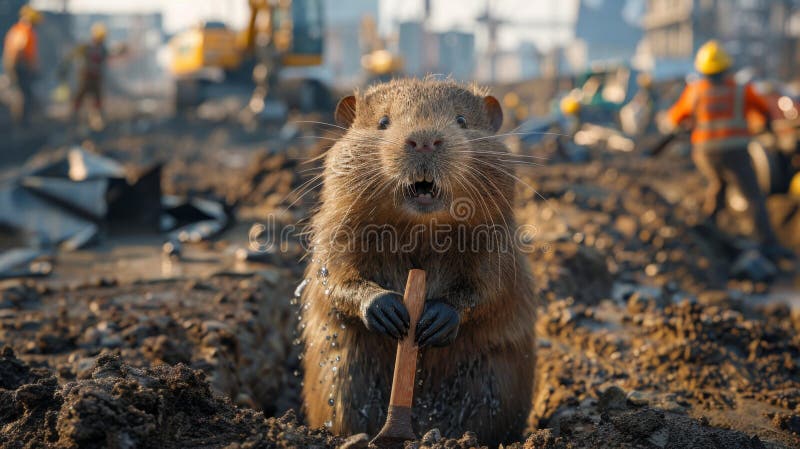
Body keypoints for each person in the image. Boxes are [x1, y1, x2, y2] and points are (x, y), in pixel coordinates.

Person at [666, 40, 793, 261]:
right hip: (735, 151)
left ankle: (709, 229)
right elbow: (763, 110)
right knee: (753, 196)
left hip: (705, 153)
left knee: (718, 184)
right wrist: (765, 127)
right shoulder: (740, 89)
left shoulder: (695, 91)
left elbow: (675, 118)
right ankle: (768, 244)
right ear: (726, 67)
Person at [3, 5, 42, 126]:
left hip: (17, 66)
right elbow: (20, 49)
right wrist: (27, 67)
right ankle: (22, 122)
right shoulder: (25, 31)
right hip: (20, 67)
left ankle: (21, 121)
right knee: (24, 94)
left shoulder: (18, 29)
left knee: (22, 92)